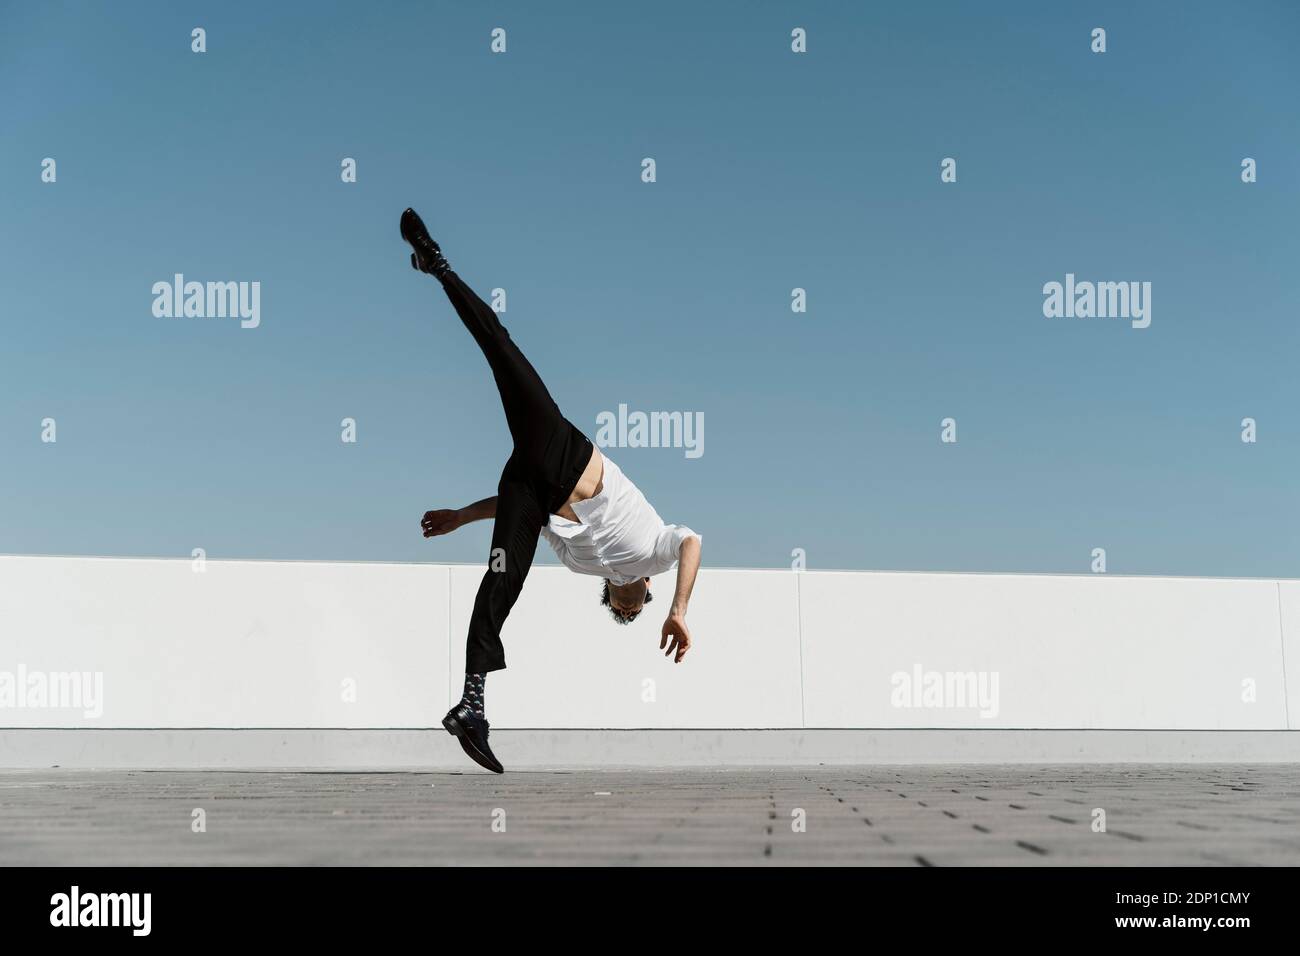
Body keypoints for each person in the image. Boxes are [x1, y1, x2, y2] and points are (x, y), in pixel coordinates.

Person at [401, 208, 702, 773]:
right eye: (636, 609)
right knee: (501, 350)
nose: (629, 607)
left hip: (526, 487)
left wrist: (462, 516)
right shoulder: (654, 557)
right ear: (641, 592)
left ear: (611, 598)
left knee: (500, 581)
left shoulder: (583, 568)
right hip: (560, 449)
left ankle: (471, 706)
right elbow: (694, 542)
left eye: (624, 612)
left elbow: (527, 520)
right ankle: (438, 266)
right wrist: (681, 610)